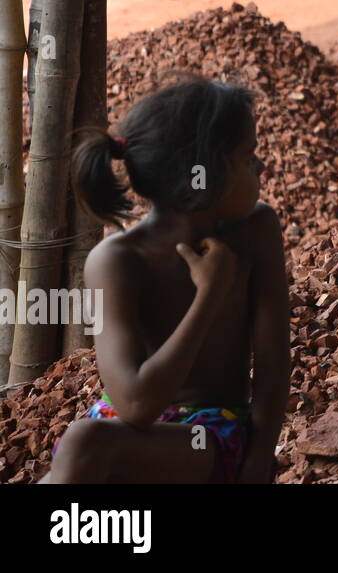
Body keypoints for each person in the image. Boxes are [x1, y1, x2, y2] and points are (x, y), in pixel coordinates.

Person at [42, 77, 289, 483]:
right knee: (77, 453)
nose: (260, 167)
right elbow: (135, 405)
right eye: (248, 157)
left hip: (211, 434)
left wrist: (259, 460)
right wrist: (209, 295)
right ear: (203, 175)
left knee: (84, 445)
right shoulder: (116, 260)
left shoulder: (256, 230)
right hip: (128, 431)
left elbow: (274, 361)